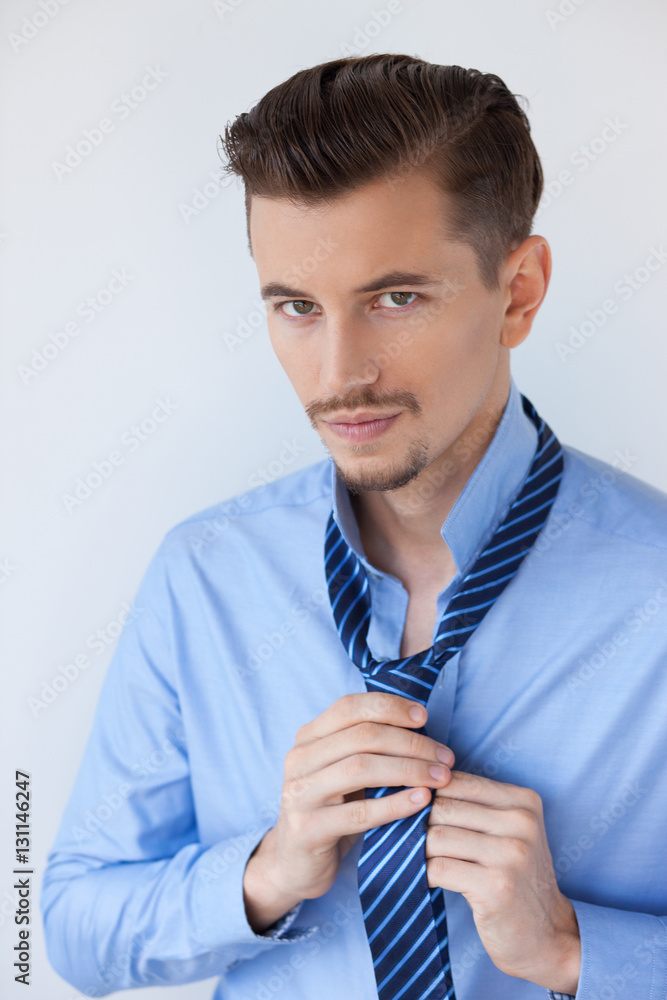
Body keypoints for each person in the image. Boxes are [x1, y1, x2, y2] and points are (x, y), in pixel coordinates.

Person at [41, 53, 667, 1000]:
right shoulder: (205, 574)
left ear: (522, 291)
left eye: (394, 299)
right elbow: (69, 929)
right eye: (296, 307)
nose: (339, 373)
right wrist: (263, 875)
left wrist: (576, 947)